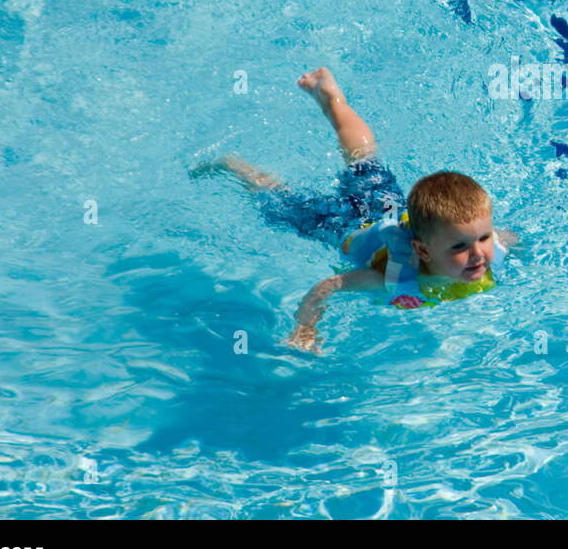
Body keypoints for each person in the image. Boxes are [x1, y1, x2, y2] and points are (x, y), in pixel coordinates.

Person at [192, 66, 517, 354]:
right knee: (280, 205)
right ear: (421, 250)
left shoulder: (490, 249)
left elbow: (508, 237)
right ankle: (235, 165)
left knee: (365, 159)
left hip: (388, 208)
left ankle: (331, 98)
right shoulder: (384, 277)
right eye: (460, 246)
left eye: (484, 238)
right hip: (340, 223)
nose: (479, 255)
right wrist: (305, 329)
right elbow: (328, 286)